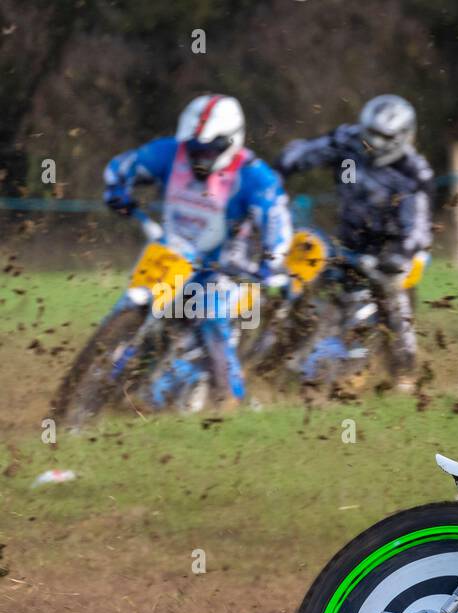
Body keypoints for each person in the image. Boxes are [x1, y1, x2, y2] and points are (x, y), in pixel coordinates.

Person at [103, 93, 292, 408]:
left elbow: (277, 222)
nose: (198, 157)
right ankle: (108, 367)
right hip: (171, 253)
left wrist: (272, 262)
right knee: (134, 298)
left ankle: (230, 399)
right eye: (194, 148)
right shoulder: (169, 152)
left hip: (225, 269)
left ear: (231, 140)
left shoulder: (255, 176)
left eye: (208, 150)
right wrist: (116, 190)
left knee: (211, 318)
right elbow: (121, 167)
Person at [276, 94, 434, 391]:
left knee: (390, 292)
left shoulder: (414, 172)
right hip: (348, 240)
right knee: (303, 269)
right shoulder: (348, 139)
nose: (370, 142)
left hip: (397, 250)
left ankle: (404, 370)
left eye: (381, 136)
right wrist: (279, 172)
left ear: (402, 137)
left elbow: (418, 229)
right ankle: (284, 341)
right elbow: (304, 153)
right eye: (368, 132)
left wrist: (396, 255)